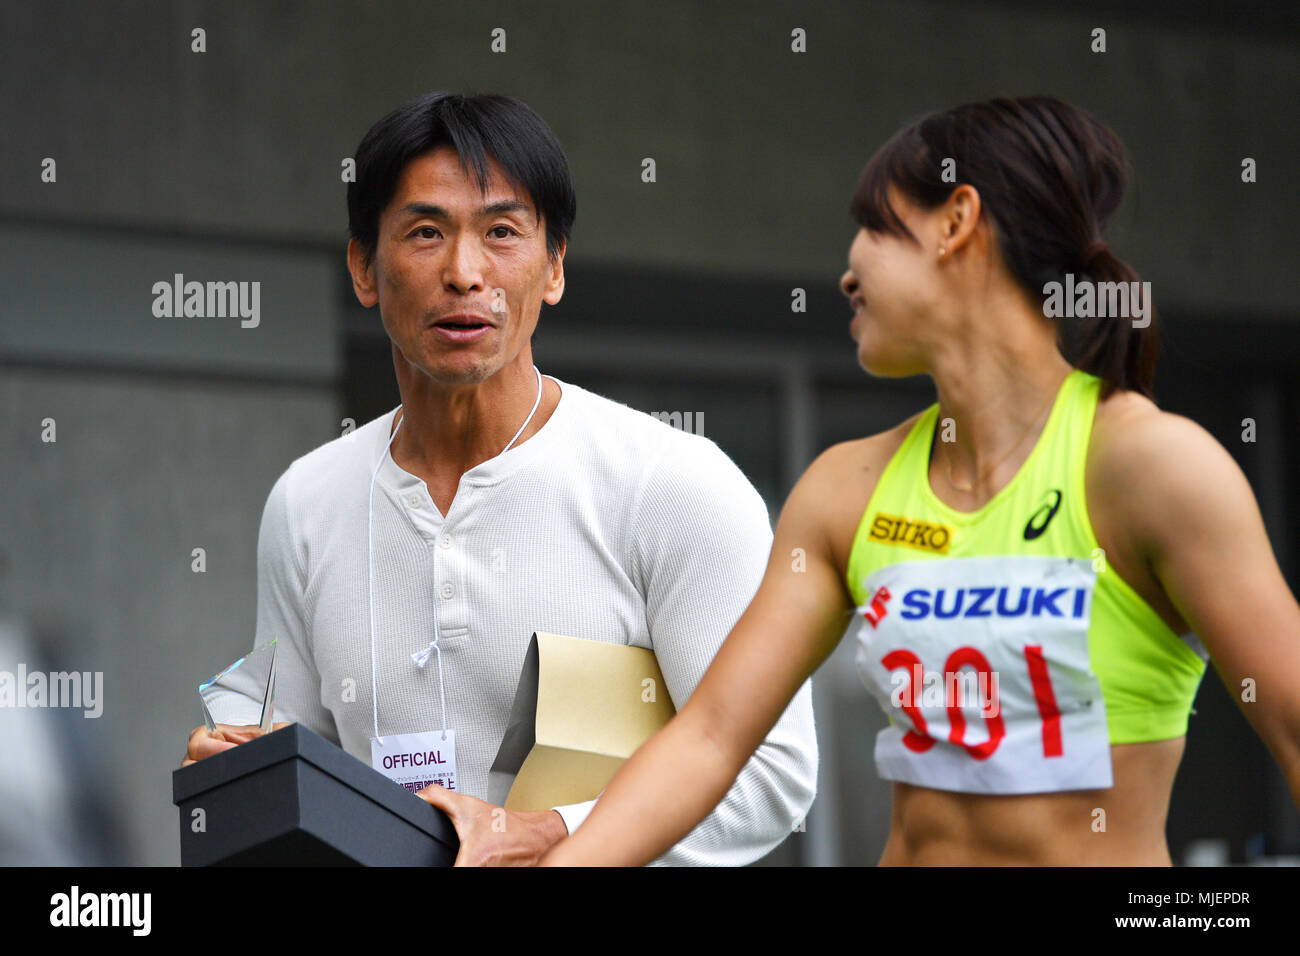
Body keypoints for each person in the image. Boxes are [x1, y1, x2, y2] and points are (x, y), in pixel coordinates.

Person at [539, 96, 1300, 866]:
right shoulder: (846, 488)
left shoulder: (1149, 466)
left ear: (956, 220)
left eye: (874, 226)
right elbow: (708, 737)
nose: (845, 272)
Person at [181, 91, 818, 866]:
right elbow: (296, 746)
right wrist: (242, 763)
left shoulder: (672, 485)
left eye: (503, 233)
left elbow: (772, 771)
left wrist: (546, 832)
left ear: (553, 268)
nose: (463, 272)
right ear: (363, 267)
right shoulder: (305, 502)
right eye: (425, 232)